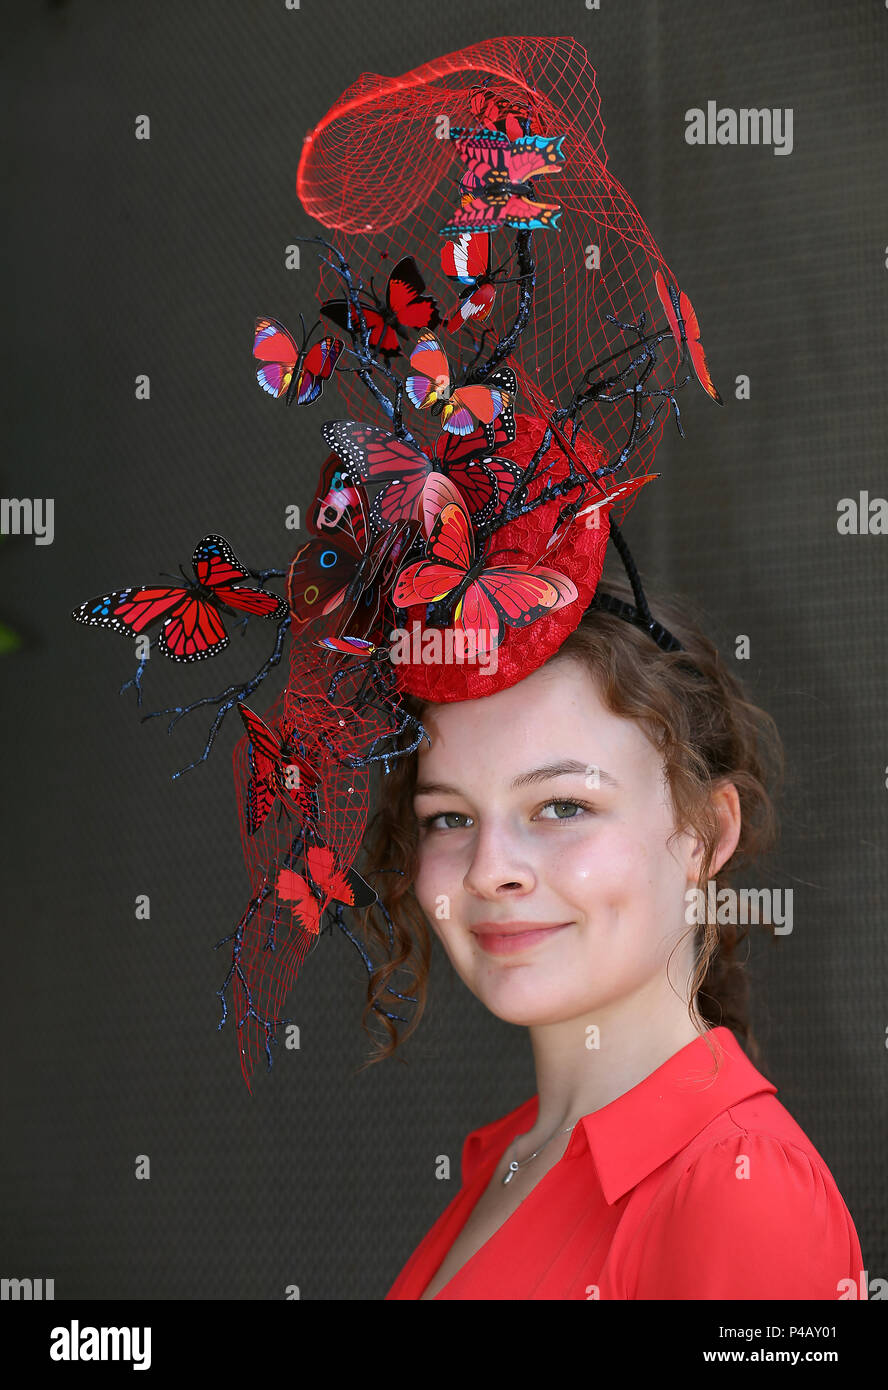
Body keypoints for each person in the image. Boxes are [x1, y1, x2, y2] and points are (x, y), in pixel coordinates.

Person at [356, 575, 867, 1300]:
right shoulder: (510, 1156)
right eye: (450, 817)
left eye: (562, 806)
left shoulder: (738, 1188)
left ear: (705, 834)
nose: (489, 871)